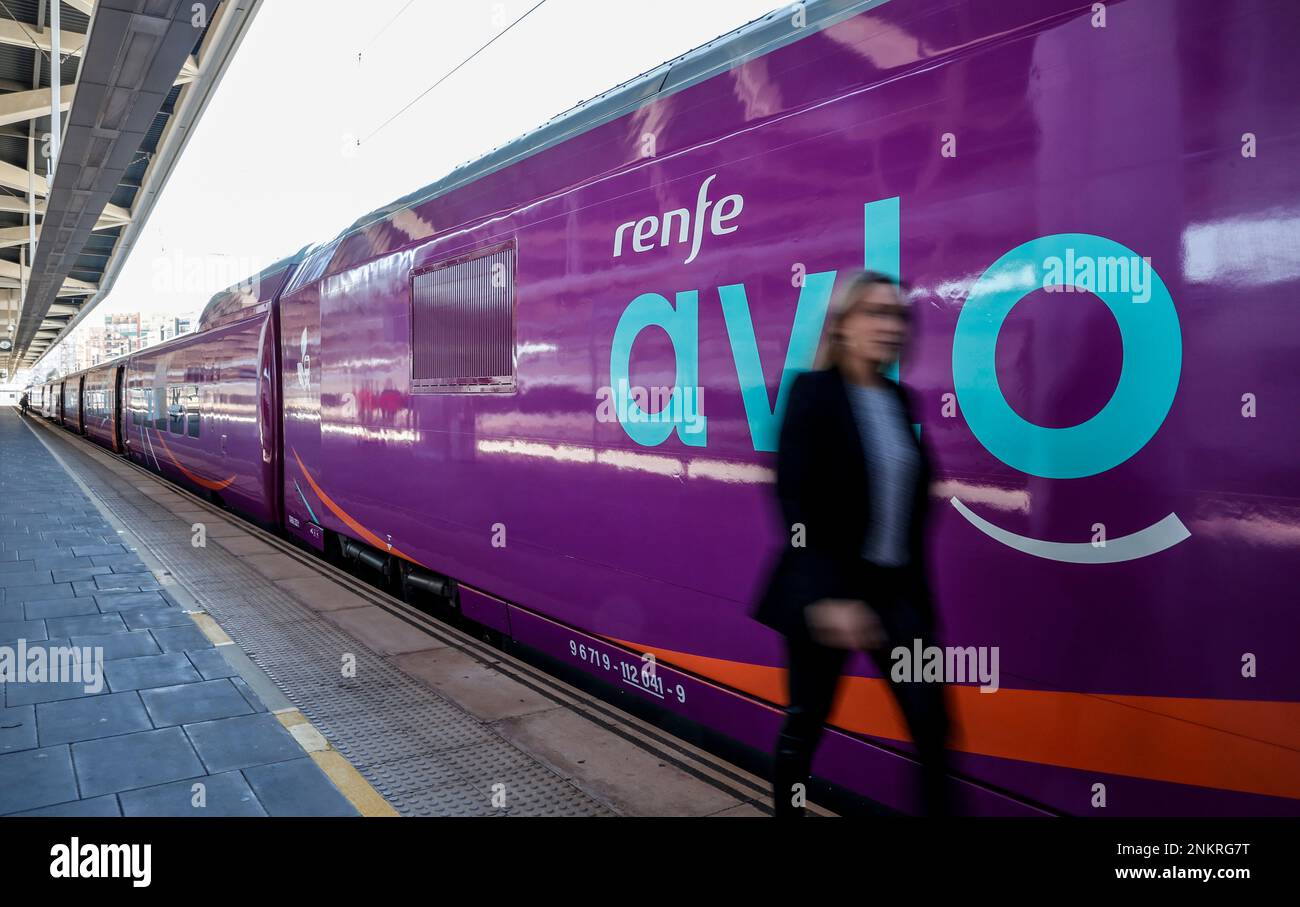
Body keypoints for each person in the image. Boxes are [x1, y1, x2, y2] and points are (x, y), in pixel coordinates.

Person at [754, 270, 951, 817]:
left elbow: (908, 508)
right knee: (807, 721)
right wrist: (826, 596)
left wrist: (920, 606)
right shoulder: (813, 394)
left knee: (933, 725)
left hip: (896, 594)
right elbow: (793, 501)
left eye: (898, 316)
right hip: (828, 588)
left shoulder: (898, 400)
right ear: (843, 326)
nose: (890, 325)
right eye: (875, 313)